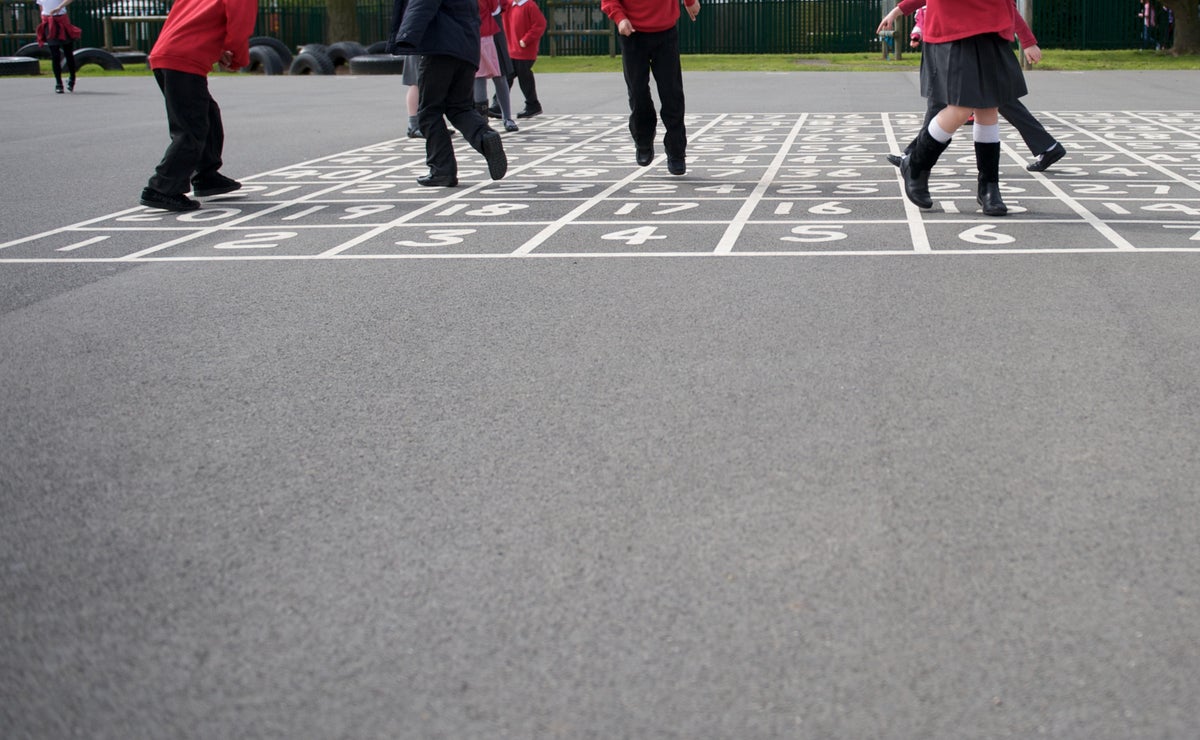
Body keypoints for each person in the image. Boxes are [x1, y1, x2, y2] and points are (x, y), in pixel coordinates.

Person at [878, 0, 1029, 217]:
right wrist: (901, 9)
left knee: (988, 109)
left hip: (993, 28)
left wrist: (1027, 38)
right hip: (954, 28)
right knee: (960, 108)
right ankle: (917, 164)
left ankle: (989, 187)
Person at [887, 3, 1066, 174]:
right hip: (955, 43)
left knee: (951, 102)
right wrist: (899, 10)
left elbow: (1007, 6)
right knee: (994, 102)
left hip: (975, 43)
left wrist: (1027, 41)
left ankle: (913, 157)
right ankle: (1047, 146)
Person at [139, 0, 257, 211]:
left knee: (208, 114)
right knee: (191, 128)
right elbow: (240, 28)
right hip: (185, 60)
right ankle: (162, 187)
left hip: (167, 54)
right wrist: (238, 58)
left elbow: (191, 21)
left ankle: (206, 176)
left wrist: (218, 48)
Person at [388, 0, 508, 187]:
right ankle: (484, 136)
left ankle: (442, 171)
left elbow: (421, 5)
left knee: (429, 112)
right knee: (459, 108)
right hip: (467, 50)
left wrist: (406, 36)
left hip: (440, 50)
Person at [601, 0, 700, 175]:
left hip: (665, 31)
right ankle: (643, 140)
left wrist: (689, 2)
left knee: (672, 93)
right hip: (632, 32)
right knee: (638, 92)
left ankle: (676, 152)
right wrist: (619, 17)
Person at [475, 0, 518, 132]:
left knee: (499, 74)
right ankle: (483, 120)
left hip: (493, 26)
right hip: (476, 26)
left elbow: (501, 5)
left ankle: (506, 117)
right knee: (479, 75)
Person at [505, 0, 547, 119]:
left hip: (525, 50)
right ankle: (498, 103)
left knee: (523, 76)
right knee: (507, 75)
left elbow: (540, 24)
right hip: (511, 49)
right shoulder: (509, 5)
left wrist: (527, 39)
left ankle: (532, 104)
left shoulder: (529, 5)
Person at [35, 0, 81, 94]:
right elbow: (41, 8)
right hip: (49, 21)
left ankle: (72, 77)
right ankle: (58, 83)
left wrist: (59, 7)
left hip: (61, 20)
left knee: (68, 53)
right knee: (55, 55)